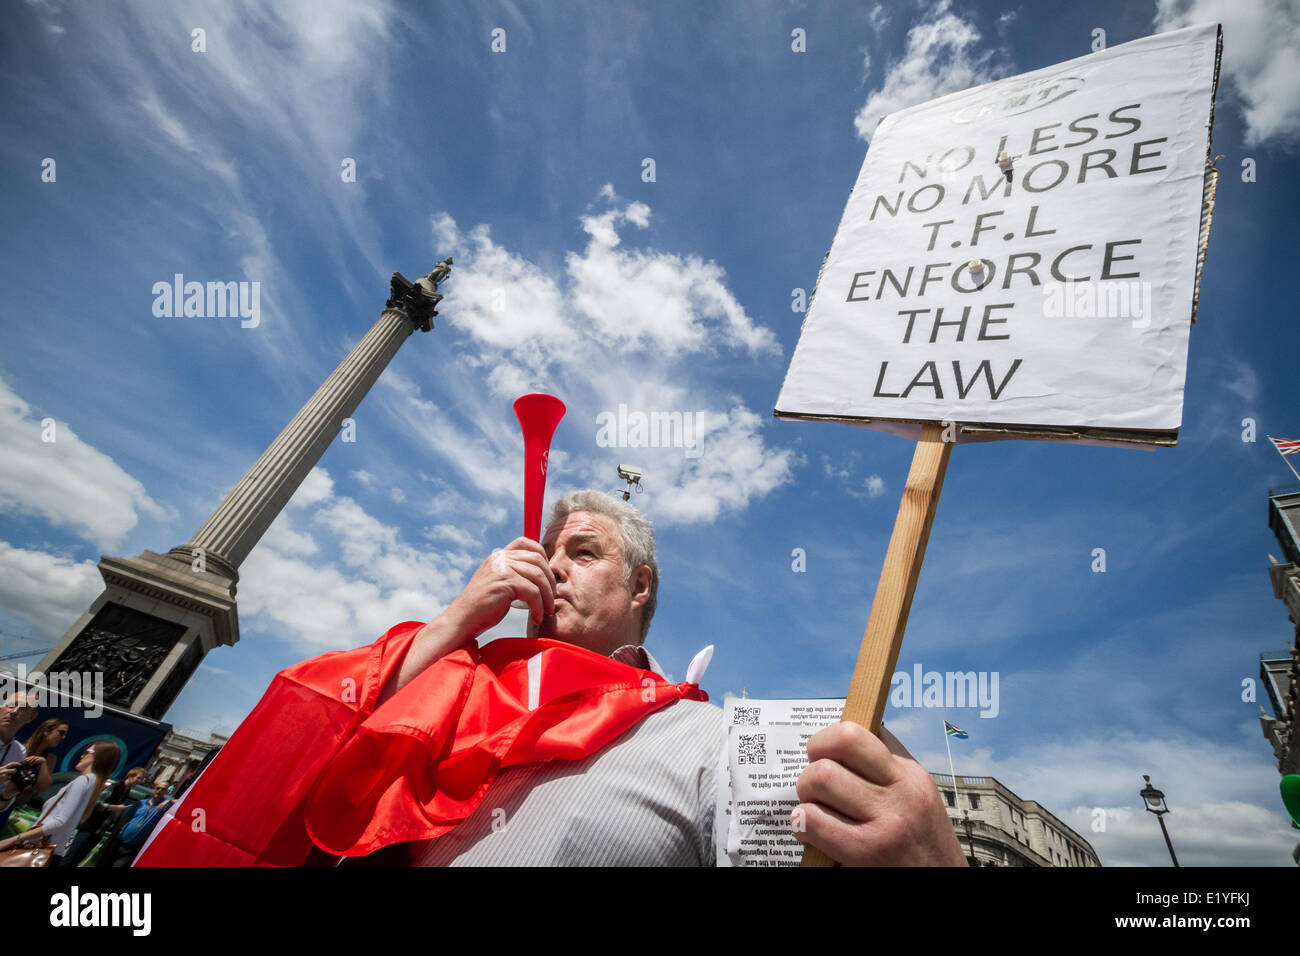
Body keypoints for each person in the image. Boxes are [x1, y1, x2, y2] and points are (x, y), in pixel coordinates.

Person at [139, 490, 964, 866]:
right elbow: (306, 754)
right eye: (545, 548)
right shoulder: (447, 685)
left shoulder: (714, 742)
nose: (549, 565)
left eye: (583, 551)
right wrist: (457, 621)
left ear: (639, 587)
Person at [0, 740, 120, 866]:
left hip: (38, 852)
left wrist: (14, 839)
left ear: (97, 757)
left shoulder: (82, 781)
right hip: (50, 854)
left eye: (87, 752)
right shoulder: (92, 783)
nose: (82, 755)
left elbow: (59, 821)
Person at [58, 766, 148, 868]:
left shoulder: (126, 792)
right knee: (69, 858)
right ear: (130, 775)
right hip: (89, 828)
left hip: (99, 831)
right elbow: (95, 803)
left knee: (78, 859)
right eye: (138, 778)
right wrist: (112, 807)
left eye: (142, 779)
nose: (139, 781)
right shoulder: (115, 787)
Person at [96, 780, 172, 867]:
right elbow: (124, 820)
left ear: (166, 791)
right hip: (118, 840)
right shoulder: (141, 803)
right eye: (158, 788)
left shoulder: (165, 807)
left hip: (132, 847)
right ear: (154, 788)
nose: (159, 791)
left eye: (163, 789)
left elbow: (180, 802)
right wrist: (109, 838)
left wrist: (168, 801)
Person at [0, 691, 45, 834]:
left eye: (23, 708)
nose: (14, 712)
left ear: (31, 717)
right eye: (11, 705)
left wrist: (8, 795)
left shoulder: (18, 752)